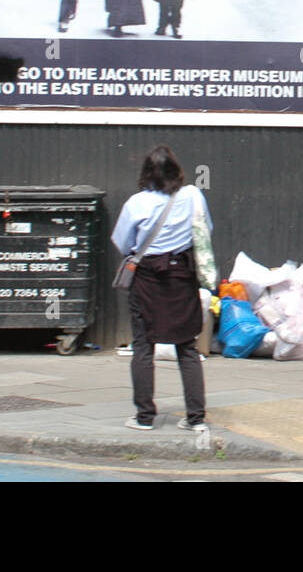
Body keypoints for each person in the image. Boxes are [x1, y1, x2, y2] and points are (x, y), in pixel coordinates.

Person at [110, 145, 211, 432]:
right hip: (182, 276)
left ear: (145, 173)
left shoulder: (135, 203)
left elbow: (123, 243)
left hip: (147, 280)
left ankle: (144, 417)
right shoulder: (193, 195)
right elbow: (205, 232)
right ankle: (196, 418)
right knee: (187, 347)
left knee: (143, 346)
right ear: (176, 170)